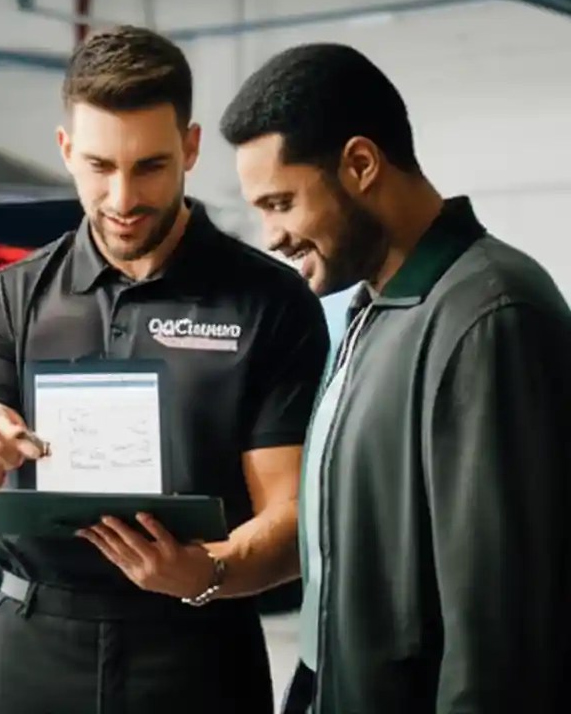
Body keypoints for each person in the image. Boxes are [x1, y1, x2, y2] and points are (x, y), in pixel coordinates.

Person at [0, 25, 330, 713]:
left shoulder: (269, 303)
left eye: (150, 167)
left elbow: (292, 519)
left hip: (197, 652)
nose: (122, 198)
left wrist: (207, 571)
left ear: (190, 148)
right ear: (66, 149)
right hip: (31, 651)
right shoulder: (11, 298)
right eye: (99, 166)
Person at [219, 42, 571, 713]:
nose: (271, 235)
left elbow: (502, 633)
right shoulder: (371, 310)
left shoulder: (490, 317)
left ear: (360, 164)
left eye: (282, 202)